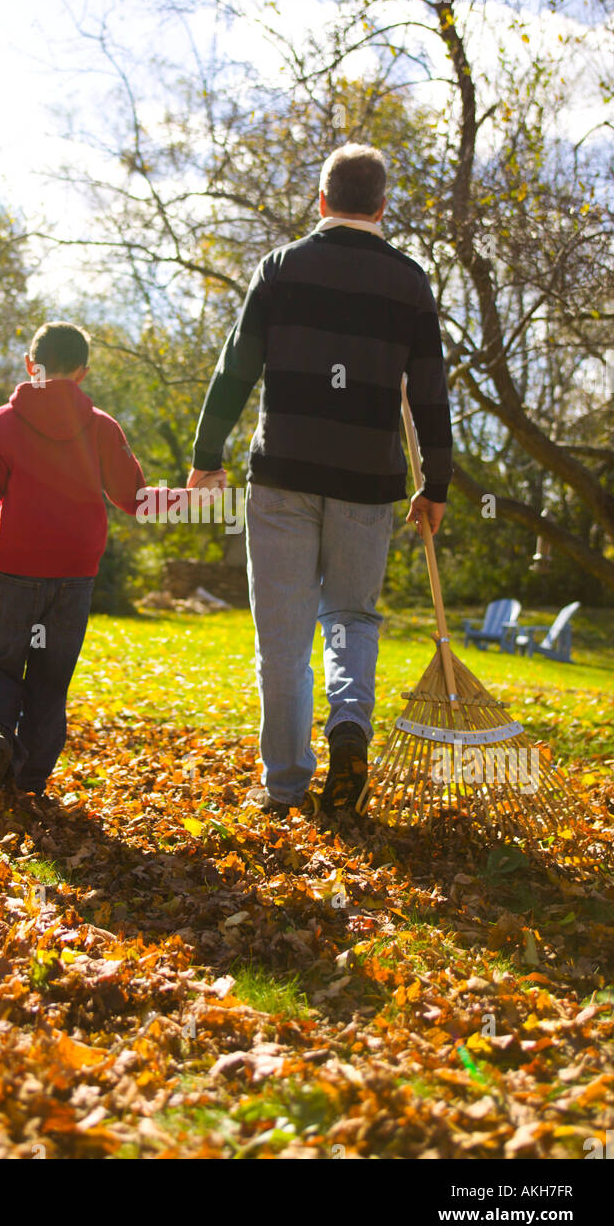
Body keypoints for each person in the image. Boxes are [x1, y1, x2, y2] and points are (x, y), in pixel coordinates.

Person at [188, 143, 453, 820]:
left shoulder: (280, 268)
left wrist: (207, 453)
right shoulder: (409, 282)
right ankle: (349, 726)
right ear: (382, 208)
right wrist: (438, 484)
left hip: (283, 475)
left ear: (321, 200)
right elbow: (429, 394)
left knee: (281, 638)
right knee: (349, 617)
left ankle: (284, 786)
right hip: (369, 481)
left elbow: (236, 367)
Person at [0, 321, 148, 806]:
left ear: (30, 364)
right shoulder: (101, 428)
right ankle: (29, 780)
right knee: (51, 679)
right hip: (74, 578)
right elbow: (136, 499)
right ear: (82, 373)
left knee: (2, 666)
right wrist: (191, 498)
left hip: (15, 570)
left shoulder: (3, 423)